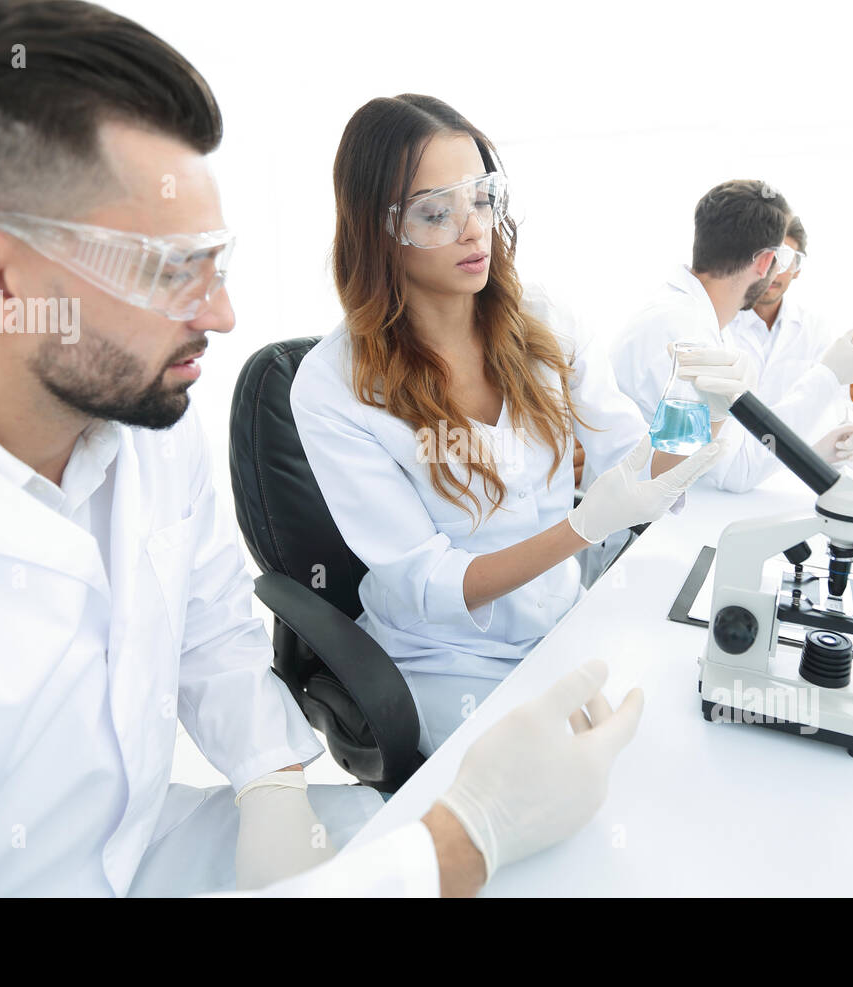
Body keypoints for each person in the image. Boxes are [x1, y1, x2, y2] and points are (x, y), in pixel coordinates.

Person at [0, 0, 640, 899]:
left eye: (217, 260)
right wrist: (458, 844)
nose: (222, 316)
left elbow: (211, 626)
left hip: (153, 847)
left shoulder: (137, 422)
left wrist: (271, 788)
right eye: (173, 268)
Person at [290, 94, 726, 755]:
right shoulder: (334, 388)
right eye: (436, 212)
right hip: (444, 661)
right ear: (378, 230)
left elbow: (635, 466)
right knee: (548, 788)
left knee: (676, 742)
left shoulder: (545, 320)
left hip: (562, 620)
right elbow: (432, 585)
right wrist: (580, 528)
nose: (474, 230)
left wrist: (698, 407)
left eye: (482, 198)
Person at [612, 181, 853, 493]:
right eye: (783, 258)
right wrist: (829, 375)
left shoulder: (700, 318)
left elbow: (738, 446)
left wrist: (811, 453)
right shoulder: (684, 331)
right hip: (642, 525)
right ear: (766, 262)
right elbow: (737, 471)